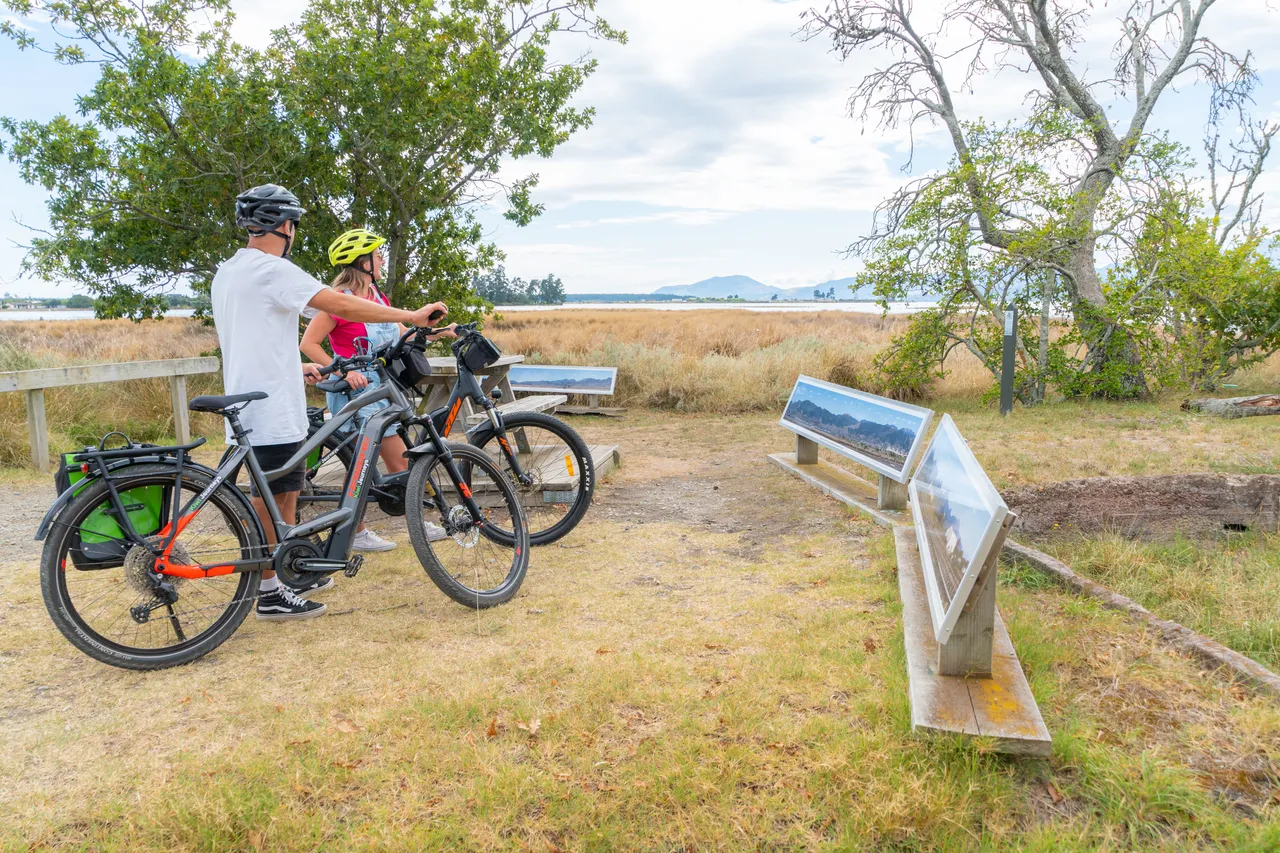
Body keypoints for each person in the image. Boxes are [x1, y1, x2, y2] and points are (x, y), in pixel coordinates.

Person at [211, 184, 449, 621]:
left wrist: (295, 368)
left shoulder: (229, 270)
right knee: (273, 499)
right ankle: (268, 591)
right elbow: (342, 305)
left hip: (261, 393)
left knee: (286, 492)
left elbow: (255, 337)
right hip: (269, 406)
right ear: (285, 226)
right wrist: (410, 317)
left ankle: (283, 572)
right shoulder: (272, 269)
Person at [300, 228, 457, 551]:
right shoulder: (339, 301)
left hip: (386, 389)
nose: (382, 259)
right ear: (363, 262)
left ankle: (408, 523)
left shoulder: (377, 298)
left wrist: (439, 332)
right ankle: (358, 532)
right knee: (368, 463)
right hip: (356, 393)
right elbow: (309, 344)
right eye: (377, 255)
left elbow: (403, 335)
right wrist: (344, 368)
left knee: (394, 461)